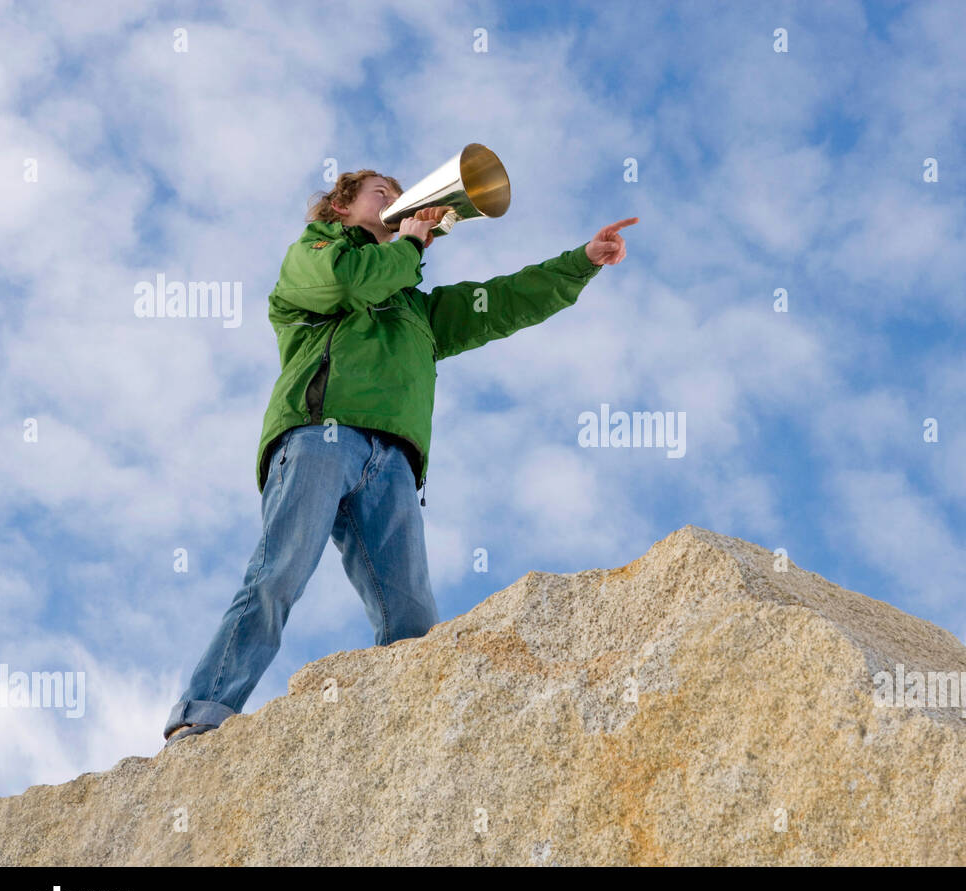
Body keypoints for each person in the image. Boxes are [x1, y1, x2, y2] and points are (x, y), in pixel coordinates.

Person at [163, 168, 637, 747]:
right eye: (382, 195)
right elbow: (343, 286)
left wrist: (581, 261)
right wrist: (409, 244)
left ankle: (403, 740)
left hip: (394, 462)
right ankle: (203, 712)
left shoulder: (416, 310)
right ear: (340, 209)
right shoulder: (314, 254)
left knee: (412, 619)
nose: (398, 202)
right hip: (320, 436)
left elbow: (502, 302)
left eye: (402, 196)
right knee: (279, 573)